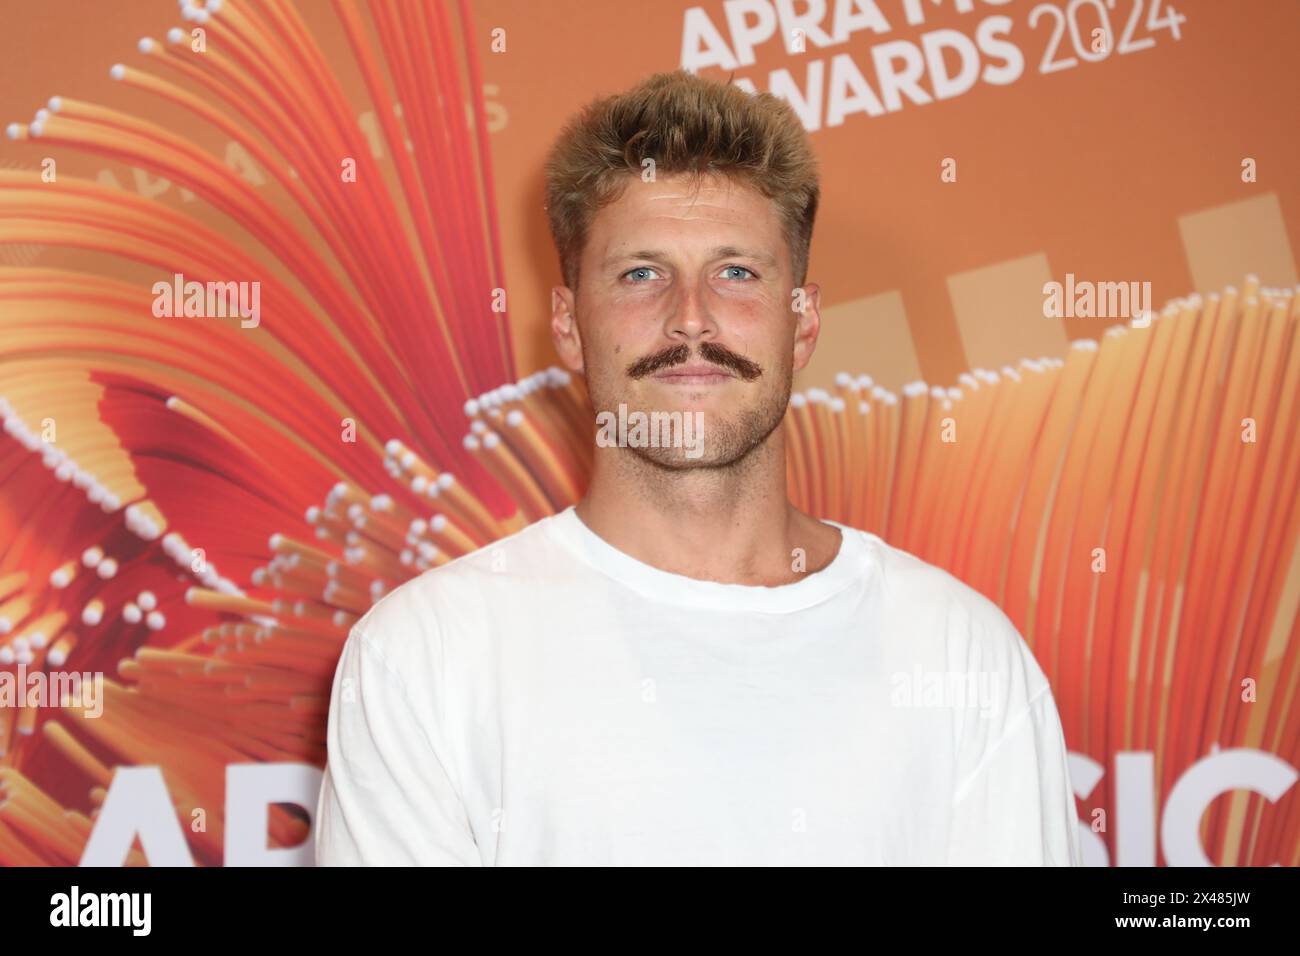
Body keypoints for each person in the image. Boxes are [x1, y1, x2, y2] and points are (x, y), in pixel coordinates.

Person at [315, 69, 1082, 866]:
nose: (690, 317)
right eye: (641, 273)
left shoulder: (963, 657)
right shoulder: (422, 659)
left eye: (737, 273)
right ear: (571, 326)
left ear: (804, 321)